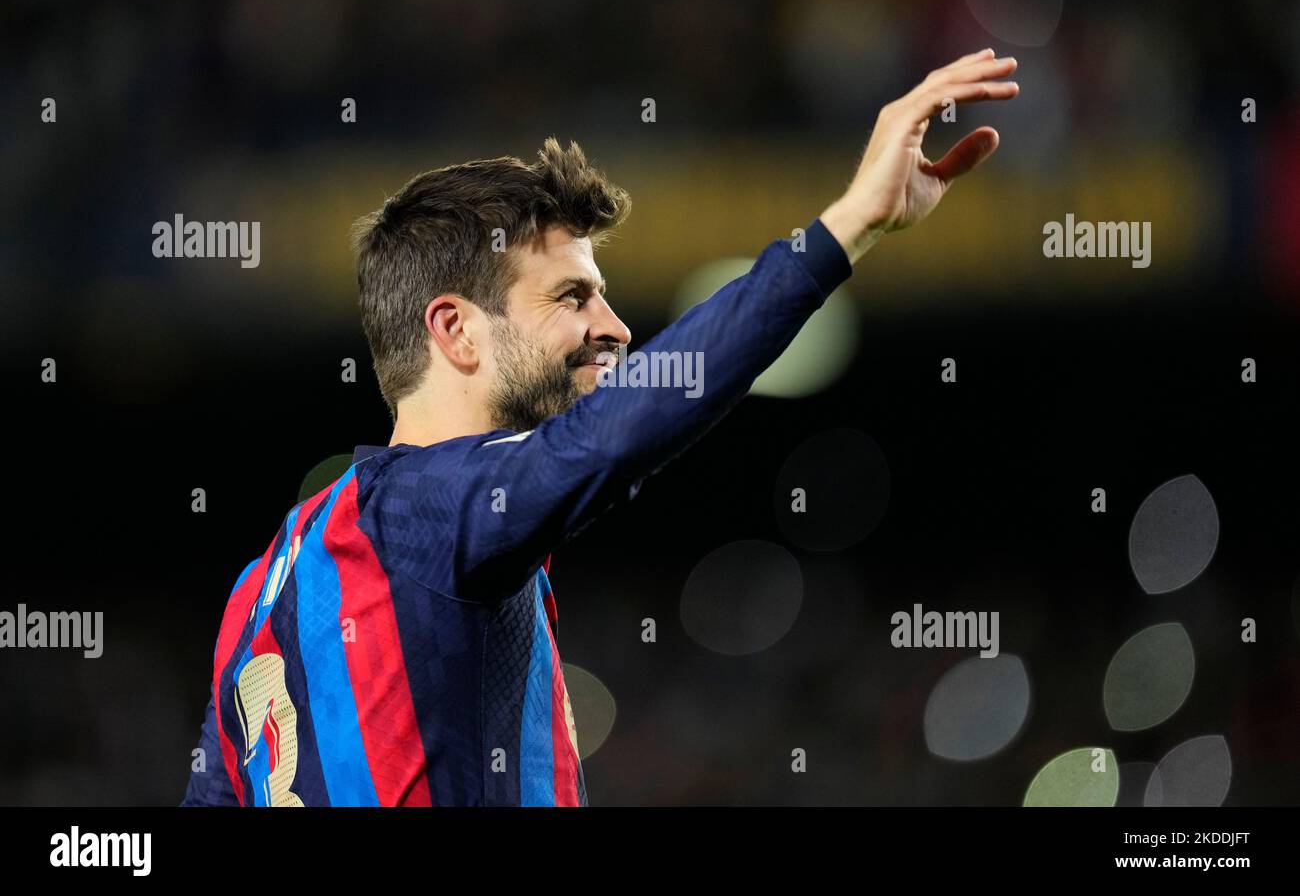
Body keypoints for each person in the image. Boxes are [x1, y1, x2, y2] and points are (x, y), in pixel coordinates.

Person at [181, 48, 1019, 806]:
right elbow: (609, 442)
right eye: (571, 296)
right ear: (457, 331)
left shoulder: (260, 594)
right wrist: (848, 229)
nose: (616, 325)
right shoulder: (426, 511)